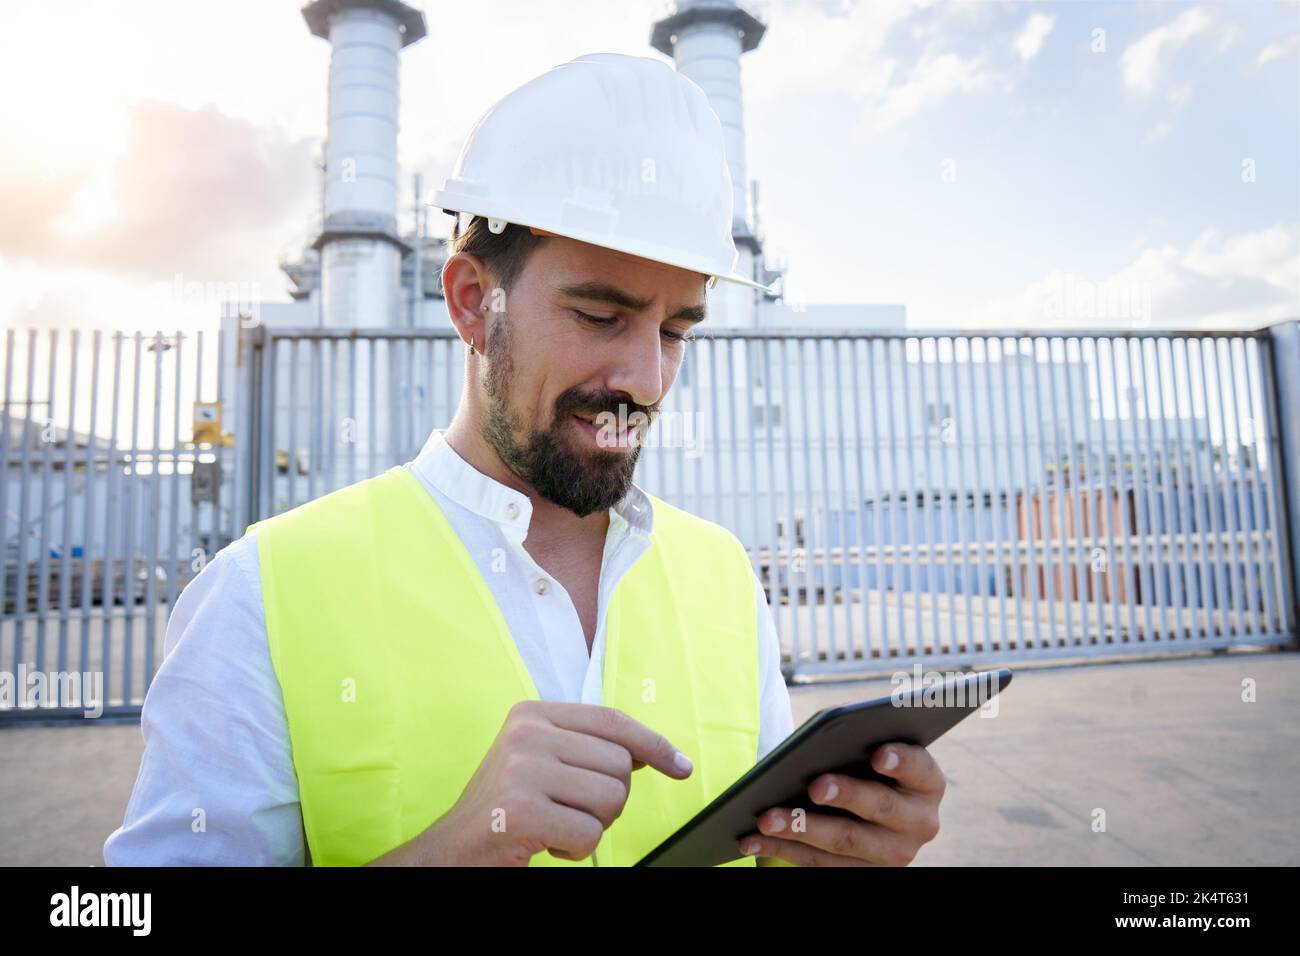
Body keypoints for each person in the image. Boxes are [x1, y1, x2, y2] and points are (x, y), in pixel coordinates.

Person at [105, 52, 946, 867]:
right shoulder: (263, 593)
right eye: (598, 316)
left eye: (676, 330)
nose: (645, 380)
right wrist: (457, 848)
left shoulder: (722, 575)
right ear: (474, 302)